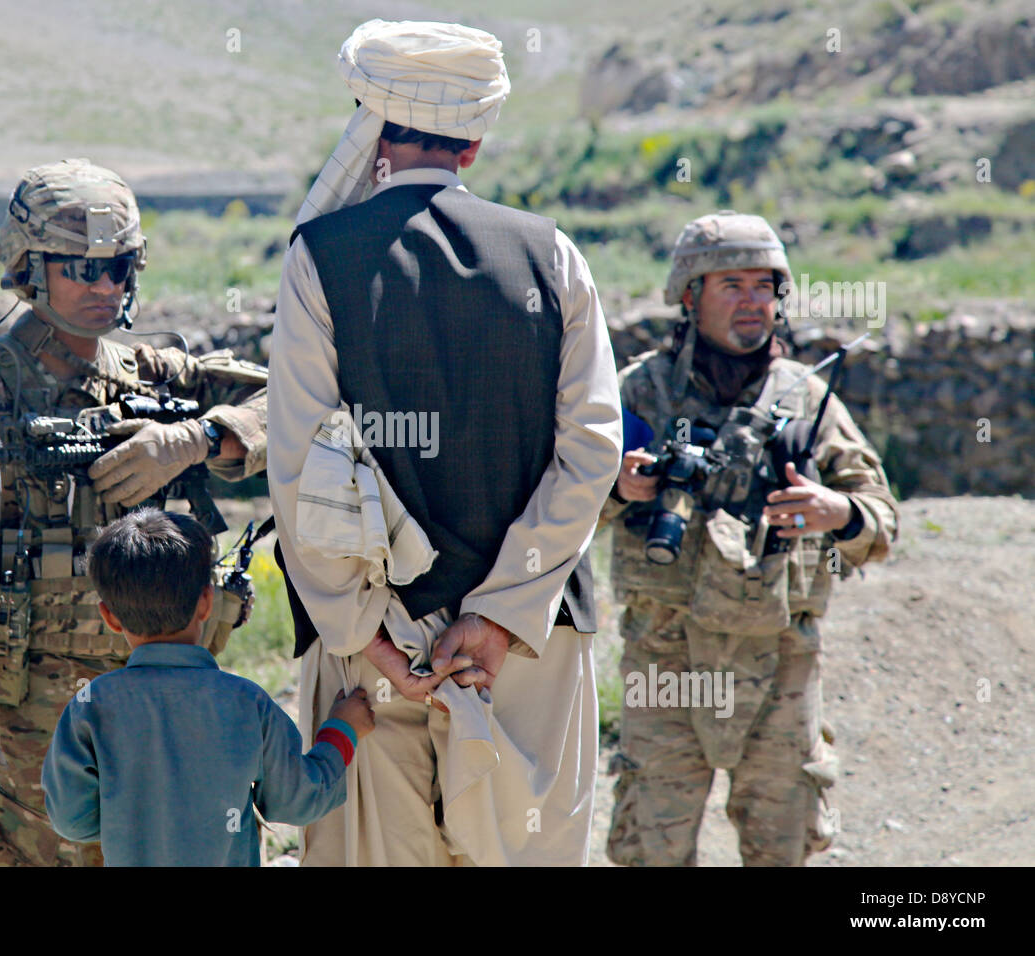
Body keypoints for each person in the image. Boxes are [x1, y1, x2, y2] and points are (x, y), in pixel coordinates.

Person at [268, 19, 623, 866]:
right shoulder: (553, 255)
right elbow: (591, 452)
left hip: (371, 652)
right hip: (526, 655)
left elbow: (299, 470)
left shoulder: (320, 258)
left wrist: (371, 639)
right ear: (471, 143)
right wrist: (499, 615)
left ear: (372, 126)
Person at [0, 158, 268, 866]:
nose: (104, 287)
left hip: (162, 692)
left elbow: (299, 402)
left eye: (118, 267)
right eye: (81, 269)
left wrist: (192, 440)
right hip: (30, 717)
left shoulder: (152, 375)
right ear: (29, 268)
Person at [598, 210, 899, 866]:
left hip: (781, 663)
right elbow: (559, 510)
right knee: (651, 847)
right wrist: (619, 489)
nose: (752, 302)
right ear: (689, 295)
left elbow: (881, 522)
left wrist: (835, 511)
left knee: (781, 848)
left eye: (764, 286)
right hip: (665, 662)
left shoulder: (807, 399)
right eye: (730, 285)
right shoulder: (639, 395)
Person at [41, 509, 374, 866]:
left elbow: (71, 819)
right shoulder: (246, 703)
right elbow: (299, 799)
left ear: (108, 616)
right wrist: (343, 730)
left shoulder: (90, 708)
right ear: (206, 602)